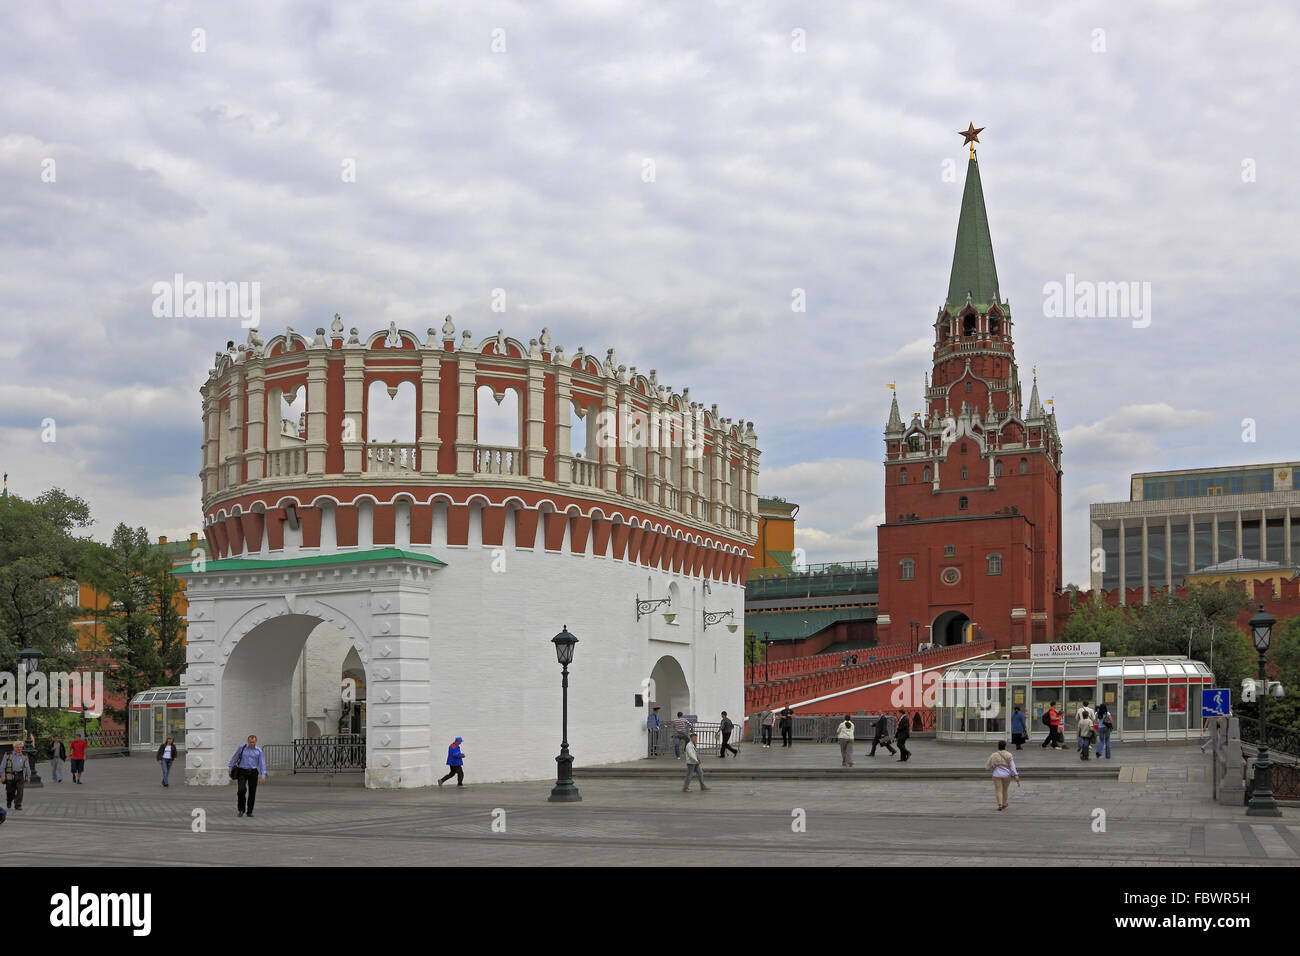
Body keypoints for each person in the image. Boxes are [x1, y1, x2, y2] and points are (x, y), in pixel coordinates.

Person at [227, 734, 267, 817]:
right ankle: (241, 809)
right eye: (250, 742)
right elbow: (235, 757)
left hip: (253, 772)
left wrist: (263, 775)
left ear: (256, 742)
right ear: (248, 741)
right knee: (241, 790)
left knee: (252, 792)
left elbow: (262, 763)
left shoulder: (259, 751)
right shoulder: (242, 748)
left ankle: (249, 811)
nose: (251, 743)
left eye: (253, 742)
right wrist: (230, 767)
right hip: (242, 771)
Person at [985, 740, 1020, 811]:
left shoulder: (993, 755)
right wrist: (1015, 775)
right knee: (1005, 790)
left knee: (998, 790)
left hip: (996, 775)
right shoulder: (1009, 754)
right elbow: (1012, 766)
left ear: (998, 746)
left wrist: (993, 769)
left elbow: (988, 766)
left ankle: (1000, 804)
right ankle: (1004, 803)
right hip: (1006, 775)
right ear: (1005, 746)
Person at [2, 741, 32, 811]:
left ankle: (18, 805)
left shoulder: (24, 756)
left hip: (20, 775)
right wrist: (2, 775)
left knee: (20, 790)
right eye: (17, 747)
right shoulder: (8, 754)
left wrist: (28, 776)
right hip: (10, 775)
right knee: (10, 791)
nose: (19, 749)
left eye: (20, 747)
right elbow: (2, 766)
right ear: (14, 747)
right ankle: (9, 800)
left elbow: (27, 767)